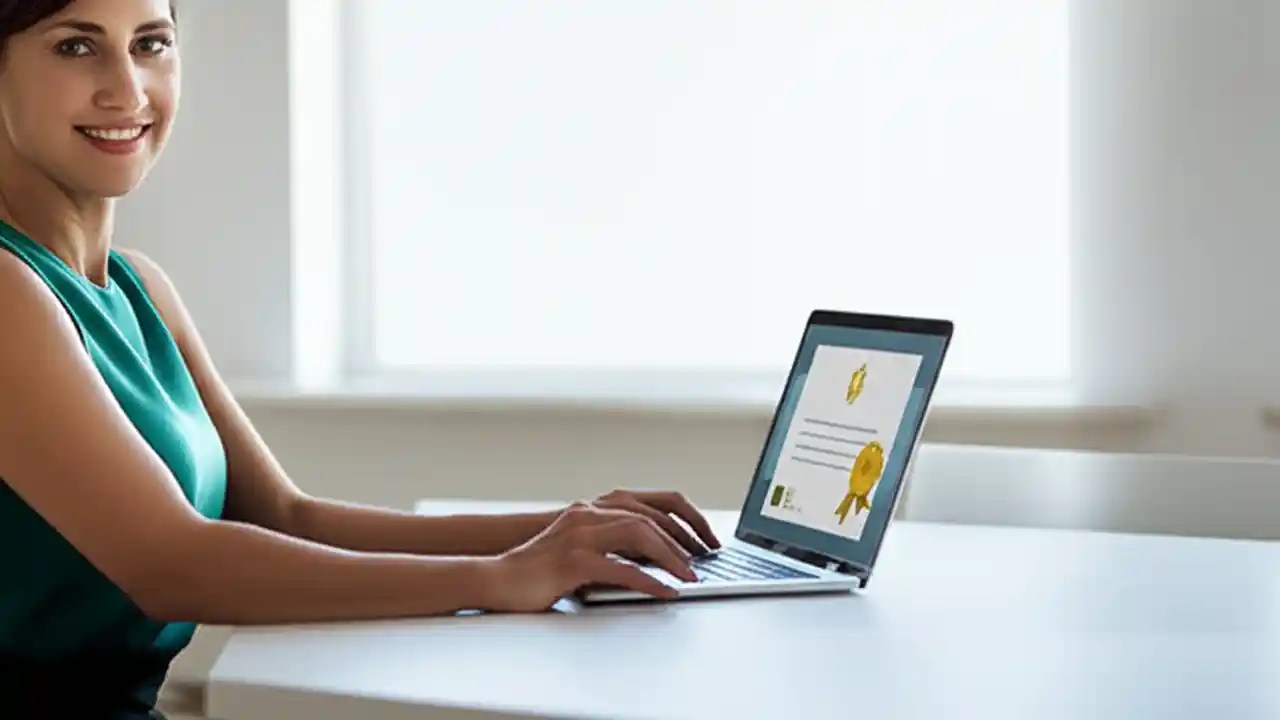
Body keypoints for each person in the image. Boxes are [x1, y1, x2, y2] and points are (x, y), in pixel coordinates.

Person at [0, 0, 721, 716]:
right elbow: (171, 564)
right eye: (75, 48)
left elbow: (286, 517)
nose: (127, 90)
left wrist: (565, 531)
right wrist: (498, 579)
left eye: (151, 44)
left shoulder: (140, 287)